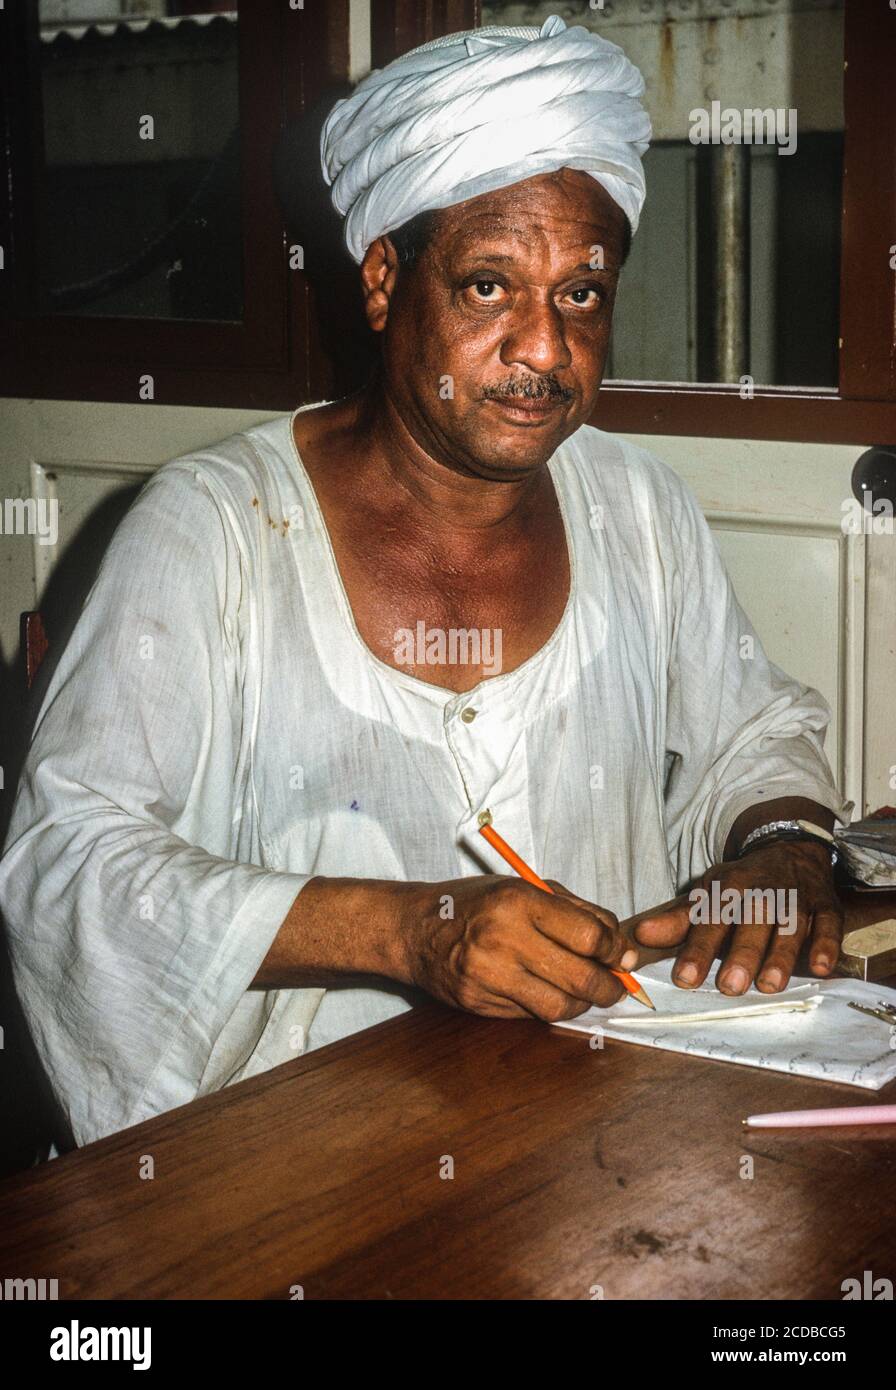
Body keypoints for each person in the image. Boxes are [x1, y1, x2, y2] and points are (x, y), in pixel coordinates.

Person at [0, 15, 849, 1148]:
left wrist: (782, 855)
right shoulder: (214, 530)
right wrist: (413, 930)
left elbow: (752, 731)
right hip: (290, 1165)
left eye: (581, 294)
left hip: (588, 1130)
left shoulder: (636, 509)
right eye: (489, 286)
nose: (543, 349)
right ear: (384, 282)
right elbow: (68, 864)